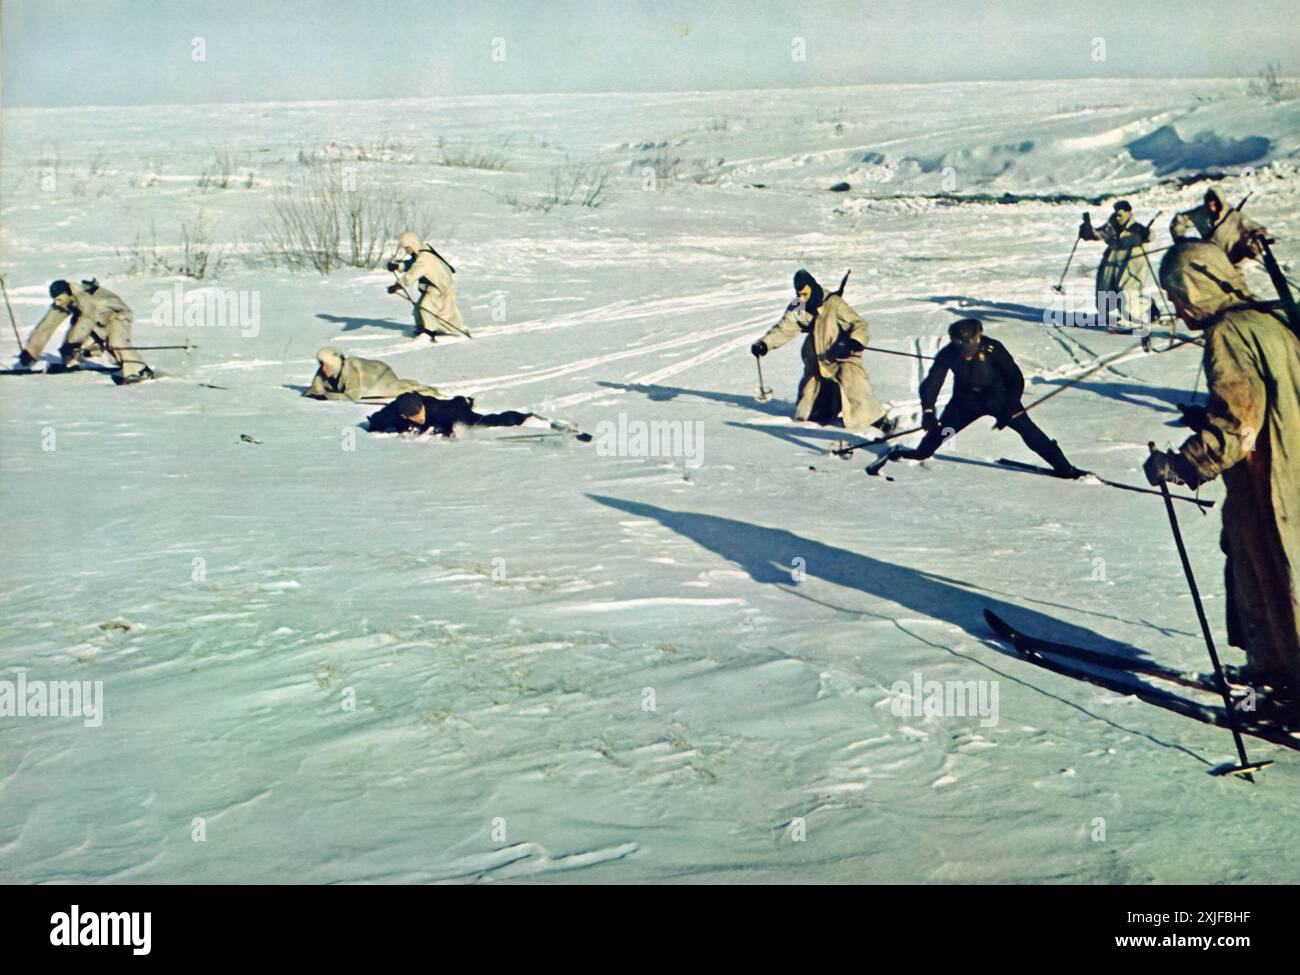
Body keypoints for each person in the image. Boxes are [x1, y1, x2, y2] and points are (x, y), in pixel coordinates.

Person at [1143, 241, 1300, 693]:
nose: (1176, 305)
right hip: (1287, 464)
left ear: (1197, 285)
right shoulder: (1268, 319)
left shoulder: (1229, 333)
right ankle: (1274, 674)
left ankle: (1284, 682)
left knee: (1270, 575)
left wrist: (1185, 465)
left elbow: (1240, 423)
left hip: (1268, 481)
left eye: (1177, 293)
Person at [890, 319, 1081, 476]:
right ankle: (922, 453)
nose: (964, 352)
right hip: (965, 400)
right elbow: (932, 384)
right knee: (945, 429)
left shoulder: (993, 348)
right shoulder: (948, 354)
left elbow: (1015, 378)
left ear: (978, 334)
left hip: (1000, 398)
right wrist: (928, 412)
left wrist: (1010, 406)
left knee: (1029, 432)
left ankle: (1065, 468)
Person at [750, 269, 894, 432]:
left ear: (812, 287)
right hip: (816, 355)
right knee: (808, 404)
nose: (802, 298)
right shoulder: (798, 305)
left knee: (854, 382)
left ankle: (876, 419)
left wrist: (855, 341)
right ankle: (825, 408)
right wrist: (764, 344)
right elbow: (785, 328)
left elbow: (859, 323)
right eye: (799, 294)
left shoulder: (833, 303)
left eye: (805, 293)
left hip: (842, 353)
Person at [17, 279, 152, 383]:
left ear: (67, 293)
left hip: (116, 315)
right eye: (55, 300)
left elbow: (87, 321)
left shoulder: (84, 298)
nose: (57, 303)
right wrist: (30, 352)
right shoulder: (65, 299)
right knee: (74, 336)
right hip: (93, 317)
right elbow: (46, 325)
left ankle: (139, 370)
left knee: (116, 342)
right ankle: (70, 362)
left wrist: (74, 343)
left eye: (59, 299)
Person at [1078, 201, 1153, 332]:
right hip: (1112, 261)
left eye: (1121, 215)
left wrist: (1146, 234)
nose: (1118, 218)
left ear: (1129, 213)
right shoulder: (1111, 226)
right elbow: (1098, 234)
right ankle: (1147, 310)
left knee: (1128, 292)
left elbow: (1150, 236)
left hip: (1133, 262)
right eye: (1117, 215)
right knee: (1105, 291)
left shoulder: (1137, 228)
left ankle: (1132, 321)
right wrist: (1087, 231)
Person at [387, 232, 469, 341]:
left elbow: (412, 274)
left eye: (407, 247)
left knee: (426, 307)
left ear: (413, 244)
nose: (406, 250)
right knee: (418, 310)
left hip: (440, 286)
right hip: (434, 286)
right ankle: (422, 327)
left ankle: (429, 333)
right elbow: (412, 263)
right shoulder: (421, 253)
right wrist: (397, 266)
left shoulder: (424, 258)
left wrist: (397, 286)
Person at [366, 390, 537, 437]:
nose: (419, 417)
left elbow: (488, 420)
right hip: (410, 401)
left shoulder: (446, 412)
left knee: (477, 422)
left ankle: (527, 418)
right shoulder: (395, 411)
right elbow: (375, 422)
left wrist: (519, 419)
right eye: (414, 416)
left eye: (420, 412)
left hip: (455, 407)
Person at [1170, 187, 1266, 266]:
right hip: (1211, 262)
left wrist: (1252, 248)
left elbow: (1256, 231)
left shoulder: (1235, 217)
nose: (1211, 207)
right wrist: (1179, 238)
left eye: (1214, 203)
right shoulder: (1201, 214)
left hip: (1233, 263)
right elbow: (1180, 219)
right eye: (1209, 203)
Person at [303, 347, 439, 401]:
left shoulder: (351, 370)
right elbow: (314, 390)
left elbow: (352, 396)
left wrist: (327, 396)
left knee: (396, 390)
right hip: (373, 372)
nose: (324, 369)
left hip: (379, 375)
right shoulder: (324, 370)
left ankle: (424, 390)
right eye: (322, 364)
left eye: (327, 365)